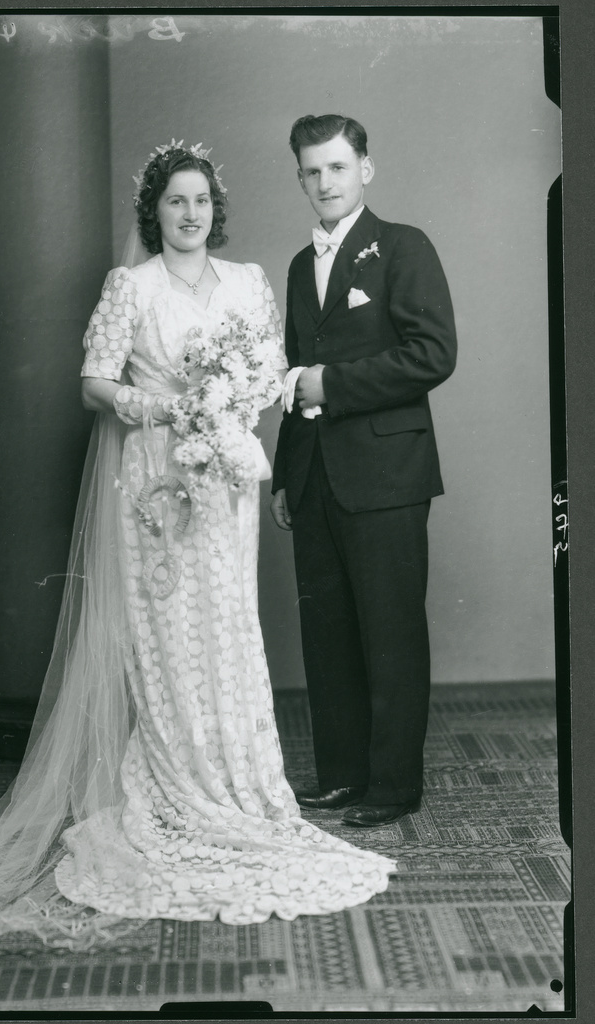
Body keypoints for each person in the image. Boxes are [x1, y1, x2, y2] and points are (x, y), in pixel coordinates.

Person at [0, 141, 395, 949]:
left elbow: (269, 370)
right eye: (176, 202)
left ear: (218, 208)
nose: (190, 214)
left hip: (223, 482)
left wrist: (232, 399)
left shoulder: (248, 281)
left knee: (227, 631)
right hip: (153, 479)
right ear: (155, 211)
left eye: (202, 201)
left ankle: (243, 789)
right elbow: (93, 382)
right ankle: (179, 787)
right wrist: (164, 408)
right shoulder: (131, 287)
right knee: (167, 635)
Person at [270, 115, 457, 827]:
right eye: (311, 171)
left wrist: (334, 387)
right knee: (328, 633)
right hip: (316, 475)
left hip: (387, 474)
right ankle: (342, 774)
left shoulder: (404, 247)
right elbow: (293, 377)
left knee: (389, 630)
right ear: (299, 178)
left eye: (337, 168)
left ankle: (392, 783)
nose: (324, 182)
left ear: (364, 170)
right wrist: (287, 475)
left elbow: (432, 353)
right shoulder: (297, 265)